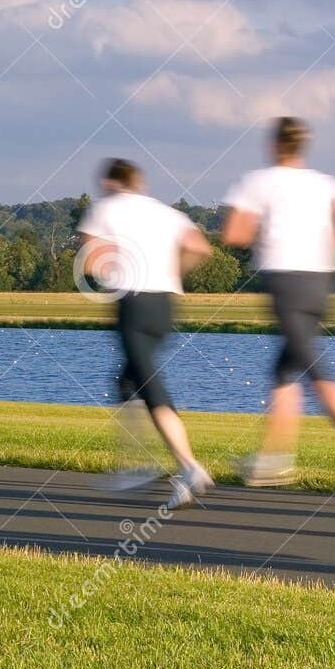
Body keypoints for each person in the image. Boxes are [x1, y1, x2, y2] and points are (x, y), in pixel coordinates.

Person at [221, 117, 335, 503]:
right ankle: (272, 460)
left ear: (275, 145)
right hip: (323, 282)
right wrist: (332, 241)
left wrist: (263, 235)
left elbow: (234, 235)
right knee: (285, 369)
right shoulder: (322, 181)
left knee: (314, 368)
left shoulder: (258, 182)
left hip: (285, 280)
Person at [76, 157, 215, 511]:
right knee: (127, 379)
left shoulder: (105, 208)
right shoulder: (165, 212)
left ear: (110, 183)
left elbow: (91, 260)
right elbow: (200, 247)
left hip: (133, 304)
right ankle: (135, 464)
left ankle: (188, 467)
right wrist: (173, 270)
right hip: (165, 304)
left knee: (150, 385)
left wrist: (112, 270)